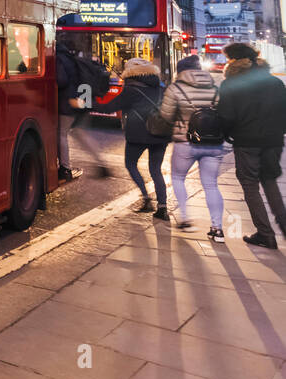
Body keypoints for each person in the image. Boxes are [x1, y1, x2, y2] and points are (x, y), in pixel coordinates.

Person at [217, 43, 286, 249]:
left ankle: (266, 234)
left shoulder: (231, 84)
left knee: (250, 185)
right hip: (273, 141)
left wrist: (226, 135)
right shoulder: (275, 82)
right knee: (270, 181)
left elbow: (226, 116)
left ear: (235, 61)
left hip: (247, 141)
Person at [159, 53, 225, 240]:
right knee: (211, 185)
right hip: (213, 143)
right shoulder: (214, 88)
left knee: (178, 178)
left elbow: (165, 115)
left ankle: (185, 219)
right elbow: (222, 114)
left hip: (185, 142)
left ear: (180, 70)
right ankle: (217, 229)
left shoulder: (176, 88)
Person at [107, 58, 170, 218]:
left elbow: (109, 107)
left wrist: (84, 104)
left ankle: (146, 198)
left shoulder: (130, 90)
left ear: (130, 73)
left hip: (138, 135)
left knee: (130, 164)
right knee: (156, 170)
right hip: (160, 133)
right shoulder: (161, 87)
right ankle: (162, 208)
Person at [54, 34, 108, 180]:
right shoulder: (72, 59)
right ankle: (100, 162)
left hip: (68, 102)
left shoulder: (58, 58)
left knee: (61, 134)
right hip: (80, 101)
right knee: (79, 132)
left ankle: (65, 168)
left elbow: (62, 80)